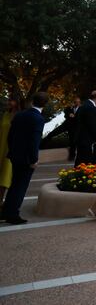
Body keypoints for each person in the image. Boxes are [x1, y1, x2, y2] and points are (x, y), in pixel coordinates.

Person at [2, 93, 46, 225]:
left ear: (32, 101)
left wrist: (12, 151)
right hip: (27, 159)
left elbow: (10, 136)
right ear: (45, 104)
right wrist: (34, 160)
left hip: (15, 156)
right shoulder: (38, 118)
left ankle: (5, 211)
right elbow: (34, 142)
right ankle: (12, 214)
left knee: (14, 185)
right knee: (20, 187)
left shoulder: (20, 115)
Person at [0, 96, 20, 208]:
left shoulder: (18, 116)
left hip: (10, 149)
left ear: (16, 102)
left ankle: (1, 202)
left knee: (5, 176)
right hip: (1, 148)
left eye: (11, 100)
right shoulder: (5, 115)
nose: (8, 102)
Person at [74, 90, 96, 167]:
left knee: (79, 159)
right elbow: (92, 124)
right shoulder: (91, 108)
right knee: (85, 161)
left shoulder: (83, 106)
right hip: (86, 139)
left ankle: (76, 175)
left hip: (80, 137)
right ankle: (81, 177)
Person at [62, 97, 81, 162]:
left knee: (76, 142)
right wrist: (69, 115)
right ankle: (72, 155)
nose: (76, 103)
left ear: (79, 102)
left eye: (78, 102)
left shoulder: (82, 109)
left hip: (79, 128)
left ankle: (77, 155)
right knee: (72, 142)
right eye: (75, 102)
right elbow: (65, 115)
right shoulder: (69, 108)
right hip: (71, 128)